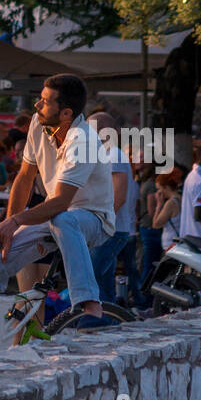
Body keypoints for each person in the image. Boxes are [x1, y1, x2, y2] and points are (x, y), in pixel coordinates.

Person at [0, 75, 115, 335]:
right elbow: (25, 177)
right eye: (39, 99)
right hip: (54, 217)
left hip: (94, 220)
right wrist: (8, 229)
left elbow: (62, 201)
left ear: (66, 113)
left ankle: (88, 302)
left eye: (44, 102)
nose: (37, 106)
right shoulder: (38, 124)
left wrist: (16, 221)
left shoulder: (83, 141)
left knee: (63, 218)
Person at [86, 111, 140, 305]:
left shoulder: (114, 155)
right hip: (107, 229)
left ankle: (102, 319)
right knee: (103, 280)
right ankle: (108, 320)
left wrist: (101, 225)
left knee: (92, 275)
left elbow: (119, 197)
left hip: (111, 230)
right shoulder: (104, 155)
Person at [136, 157, 162, 299]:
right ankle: (145, 299)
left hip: (144, 227)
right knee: (149, 265)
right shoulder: (151, 185)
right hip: (150, 229)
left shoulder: (144, 183)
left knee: (145, 263)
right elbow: (152, 212)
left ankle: (142, 297)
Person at [153, 175, 182, 249]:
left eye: (159, 188)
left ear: (166, 187)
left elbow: (156, 224)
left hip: (171, 245)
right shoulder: (181, 198)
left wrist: (159, 205)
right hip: (178, 242)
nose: (158, 192)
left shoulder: (170, 203)